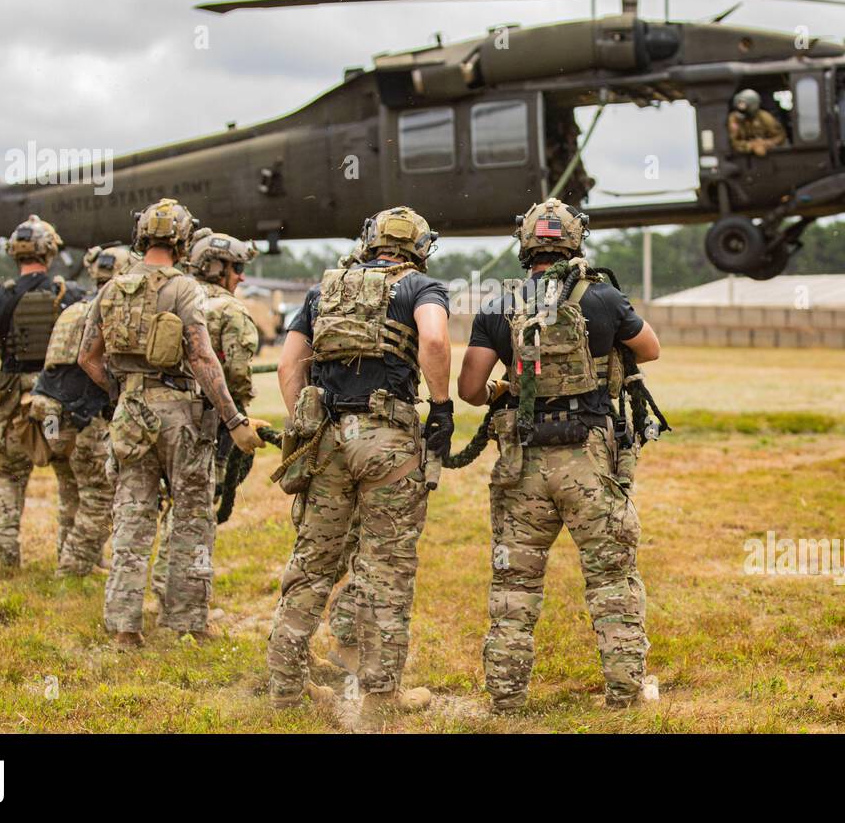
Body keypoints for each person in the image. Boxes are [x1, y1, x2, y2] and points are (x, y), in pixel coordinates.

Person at [457, 197, 661, 713]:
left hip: (522, 460)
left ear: (524, 245)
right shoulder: (604, 296)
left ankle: (505, 699)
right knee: (611, 578)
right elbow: (651, 349)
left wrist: (507, 386)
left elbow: (469, 388)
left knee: (514, 584)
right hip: (588, 458)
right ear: (576, 239)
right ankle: (625, 693)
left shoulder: (498, 305)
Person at [268, 206, 451, 718]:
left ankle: (285, 687)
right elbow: (434, 339)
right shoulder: (421, 287)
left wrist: (308, 421)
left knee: (311, 564)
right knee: (386, 568)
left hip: (326, 440)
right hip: (386, 439)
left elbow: (288, 364)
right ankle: (380, 695)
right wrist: (440, 407)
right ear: (418, 247)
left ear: (369, 242)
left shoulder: (323, 290)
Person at [78, 198, 264, 646]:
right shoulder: (185, 290)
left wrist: (123, 394)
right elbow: (201, 357)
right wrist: (233, 418)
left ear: (141, 236)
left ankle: (124, 628)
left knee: (132, 519)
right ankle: (187, 620)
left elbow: (87, 356)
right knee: (192, 518)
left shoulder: (110, 288)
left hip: (130, 415)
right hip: (180, 415)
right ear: (183, 240)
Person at [0, 214, 85, 571]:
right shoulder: (71, 294)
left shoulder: (0, 299)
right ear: (49, 253)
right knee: (70, 478)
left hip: (16, 404)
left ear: (14, 254)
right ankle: (70, 555)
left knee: (11, 476)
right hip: (59, 404)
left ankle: (5, 556)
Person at [152, 231, 262, 617]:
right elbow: (236, 375)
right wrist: (240, 419)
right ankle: (186, 608)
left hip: (159, 420)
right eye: (238, 268)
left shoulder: (174, 294)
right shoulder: (230, 310)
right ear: (219, 267)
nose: (242, 278)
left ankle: (163, 585)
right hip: (210, 425)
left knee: (171, 507)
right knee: (197, 514)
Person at [31, 244, 132, 577]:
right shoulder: (111, 313)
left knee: (70, 492)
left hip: (46, 413)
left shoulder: (73, 308)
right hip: (80, 417)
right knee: (99, 496)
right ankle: (72, 569)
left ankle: (76, 558)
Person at [727, 88, 787, 157]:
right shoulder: (734, 118)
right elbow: (733, 141)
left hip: (769, 154)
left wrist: (766, 144)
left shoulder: (765, 117)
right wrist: (751, 146)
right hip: (743, 156)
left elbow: (780, 136)